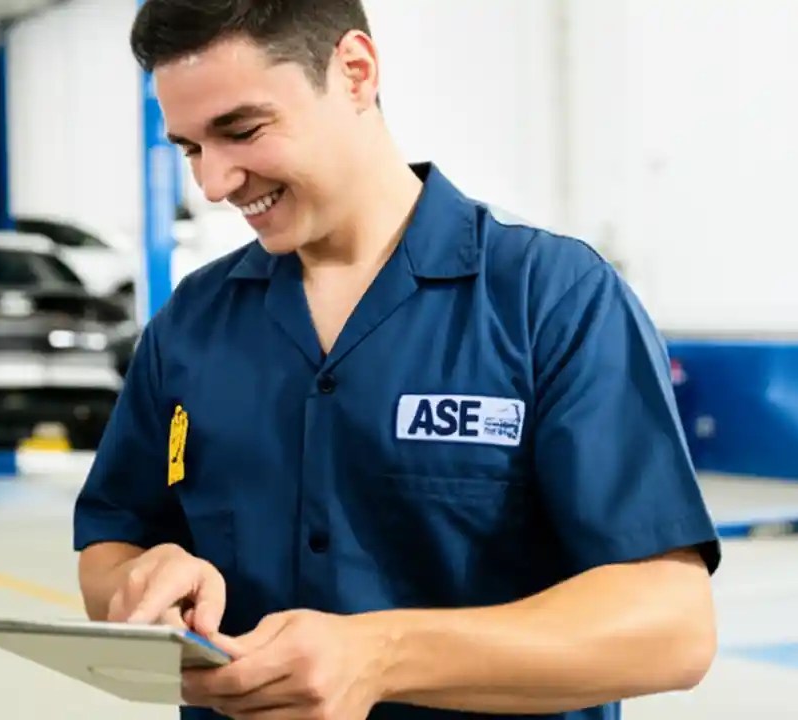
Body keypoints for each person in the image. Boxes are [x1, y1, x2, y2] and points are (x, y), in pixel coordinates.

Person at [72, 2, 721, 719]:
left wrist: (381, 656)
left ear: (355, 71)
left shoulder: (552, 301)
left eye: (243, 131)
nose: (215, 184)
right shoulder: (190, 325)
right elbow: (111, 545)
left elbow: (672, 627)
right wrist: (141, 578)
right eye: (191, 148)